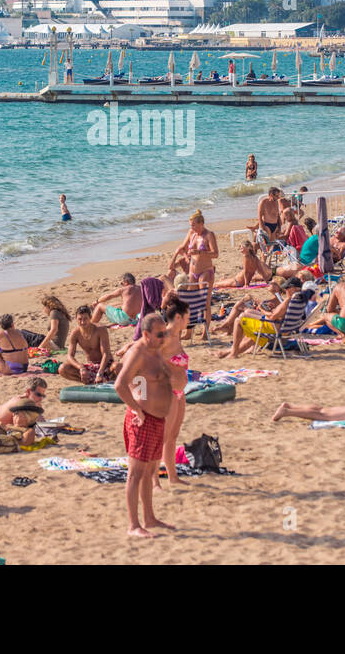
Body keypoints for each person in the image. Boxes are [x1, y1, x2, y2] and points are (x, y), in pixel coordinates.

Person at [114, 313, 175, 537]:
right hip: (142, 420)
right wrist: (136, 408)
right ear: (146, 334)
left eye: (165, 333)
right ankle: (133, 525)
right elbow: (119, 384)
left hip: (157, 419)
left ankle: (149, 518)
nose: (164, 337)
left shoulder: (154, 348)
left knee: (150, 470)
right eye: (160, 334)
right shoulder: (138, 352)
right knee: (135, 473)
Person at [220, 277, 311, 359]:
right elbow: (281, 314)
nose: (286, 290)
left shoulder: (288, 300)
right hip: (286, 327)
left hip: (274, 328)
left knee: (239, 320)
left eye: (287, 288)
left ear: (293, 288)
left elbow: (272, 317)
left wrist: (261, 308)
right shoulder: (301, 299)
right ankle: (230, 352)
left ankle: (234, 353)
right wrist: (271, 310)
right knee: (248, 312)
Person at [157, 295, 191, 490]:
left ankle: (172, 477)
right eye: (187, 317)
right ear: (177, 317)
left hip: (180, 393)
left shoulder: (177, 336)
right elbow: (144, 354)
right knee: (162, 437)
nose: (189, 320)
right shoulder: (166, 336)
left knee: (172, 436)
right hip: (167, 393)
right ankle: (153, 480)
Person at [58, 305, 115, 384]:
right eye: (80, 319)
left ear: (90, 318)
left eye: (85, 319)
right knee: (63, 368)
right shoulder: (75, 333)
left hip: (105, 365)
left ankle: (107, 380)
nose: (82, 322)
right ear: (76, 319)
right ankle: (89, 382)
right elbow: (70, 356)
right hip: (91, 366)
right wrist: (81, 368)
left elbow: (106, 353)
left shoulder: (100, 330)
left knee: (117, 367)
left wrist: (100, 372)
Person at [167, 210, 219, 287]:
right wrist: (185, 255)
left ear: (201, 224)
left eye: (193, 225)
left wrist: (199, 252)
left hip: (204, 270)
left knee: (202, 294)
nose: (191, 228)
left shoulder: (209, 235)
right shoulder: (191, 232)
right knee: (191, 295)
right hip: (192, 272)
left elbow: (215, 254)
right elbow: (182, 248)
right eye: (190, 225)